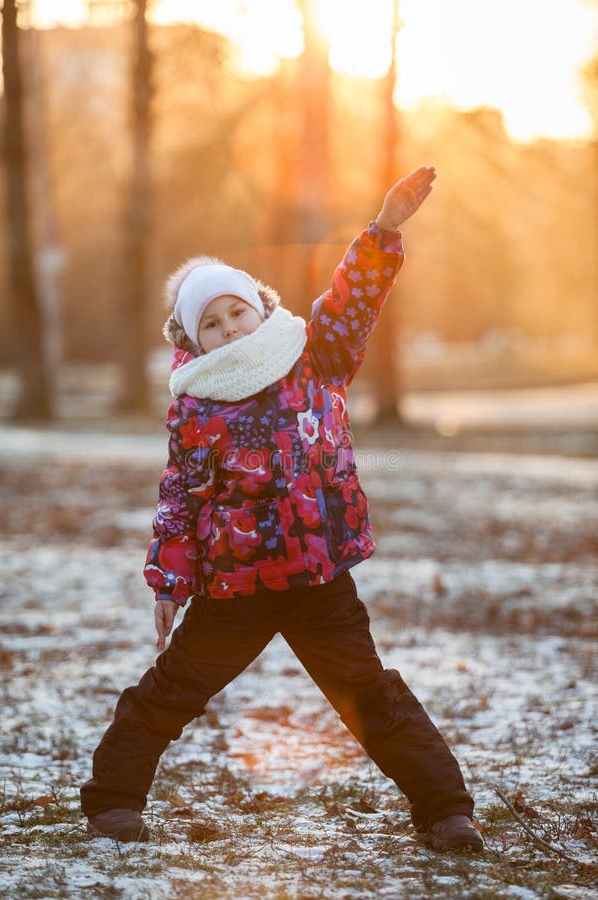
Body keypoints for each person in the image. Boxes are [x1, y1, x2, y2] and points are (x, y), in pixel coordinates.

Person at [80, 167, 483, 852]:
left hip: (320, 580)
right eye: (211, 323)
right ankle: (113, 802)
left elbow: (354, 300)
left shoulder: (314, 356)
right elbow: (181, 498)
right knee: (171, 692)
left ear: (260, 308)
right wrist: (169, 582)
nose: (229, 326)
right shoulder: (197, 405)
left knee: (372, 699)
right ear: (194, 341)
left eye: (236, 310)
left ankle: (446, 812)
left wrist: (382, 231)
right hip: (234, 588)